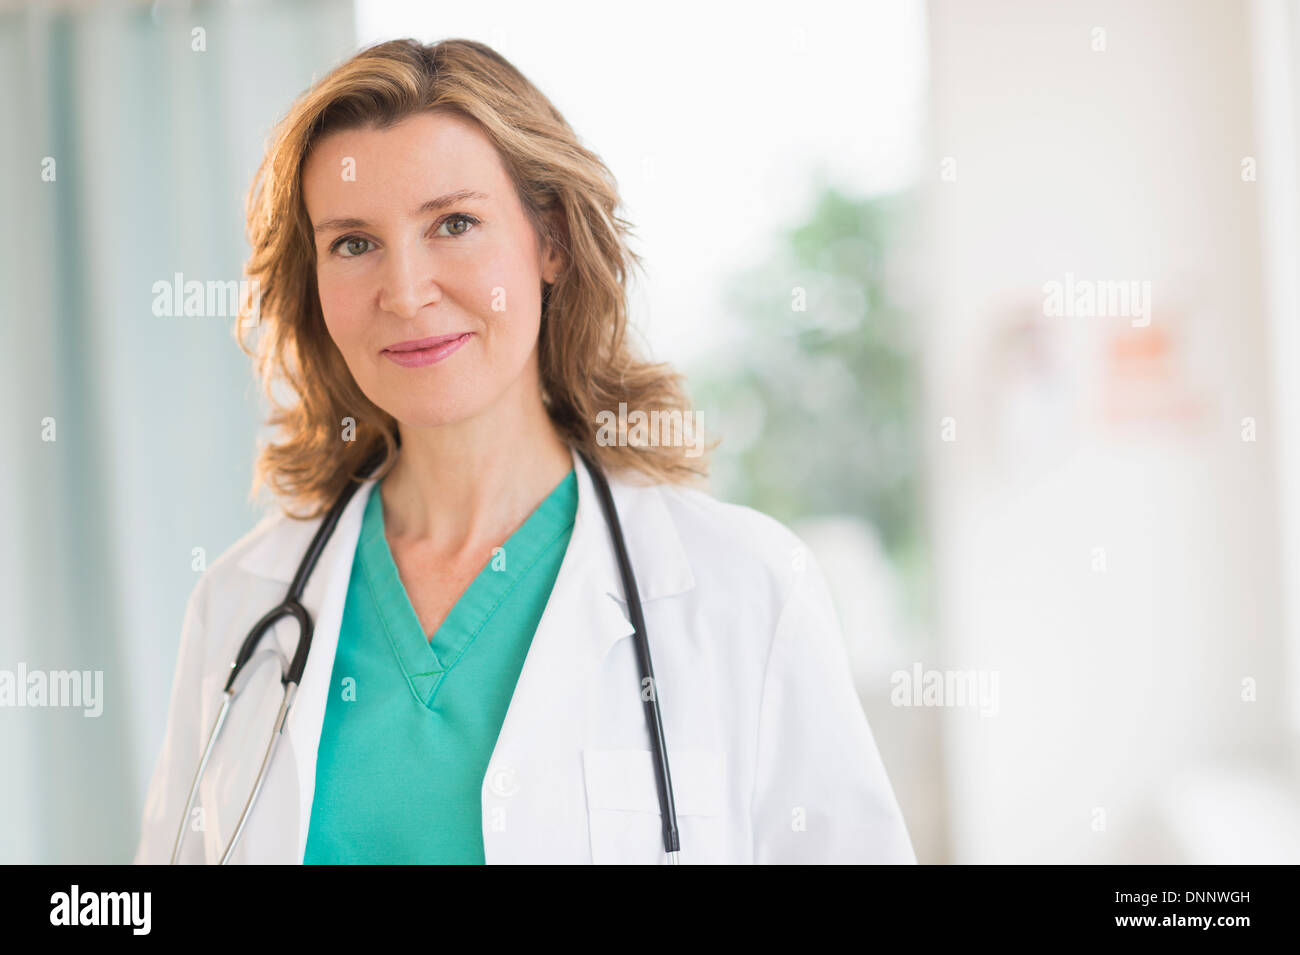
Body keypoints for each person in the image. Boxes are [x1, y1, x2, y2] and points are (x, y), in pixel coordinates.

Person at [132, 37, 915, 865]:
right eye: (353, 242)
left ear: (552, 242)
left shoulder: (746, 588)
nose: (404, 291)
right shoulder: (239, 606)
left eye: (455, 224)